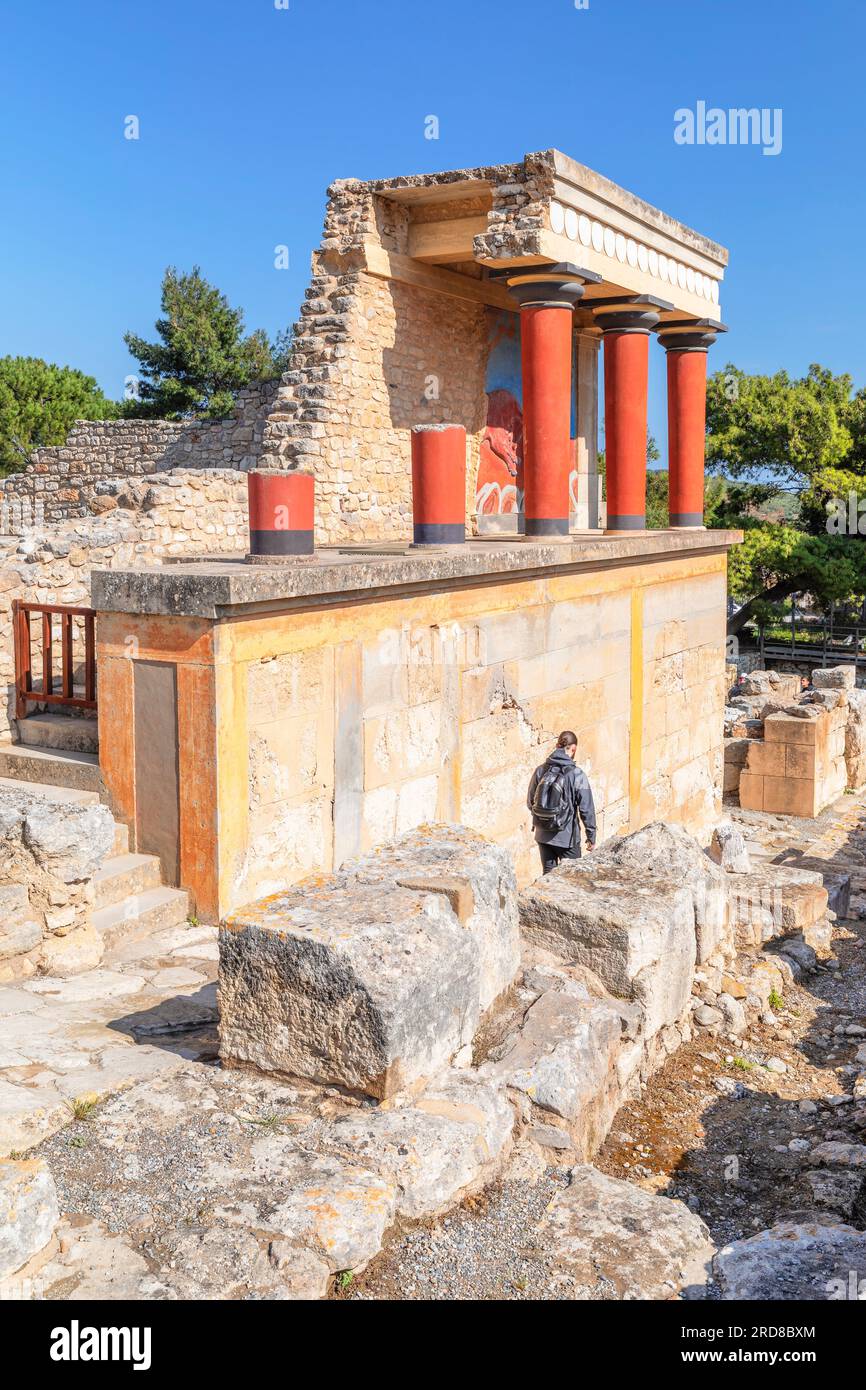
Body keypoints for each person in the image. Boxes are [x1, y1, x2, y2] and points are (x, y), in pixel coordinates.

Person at [527, 730, 597, 874]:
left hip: (542, 835)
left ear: (557, 745)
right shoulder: (577, 774)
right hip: (567, 839)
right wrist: (591, 836)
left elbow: (530, 802)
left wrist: (546, 818)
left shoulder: (540, 770)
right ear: (573, 749)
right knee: (572, 879)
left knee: (548, 876)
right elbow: (586, 809)